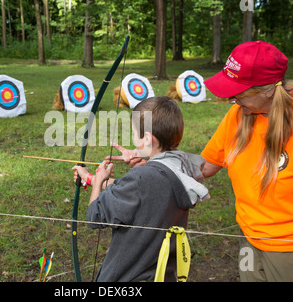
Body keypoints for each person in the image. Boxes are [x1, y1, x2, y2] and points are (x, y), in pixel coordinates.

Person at [111, 41, 293, 282]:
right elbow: (206, 166)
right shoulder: (239, 114)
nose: (231, 98)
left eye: (239, 93)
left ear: (267, 90)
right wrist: (155, 161)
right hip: (249, 239)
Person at [72, 96, 209, 282]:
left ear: (146, 139)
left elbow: (95, 216)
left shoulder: (142, 179)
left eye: (134, 133)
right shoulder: (182, 167)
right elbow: (145, 195)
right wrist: (90, 178)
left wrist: (98, 182)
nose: (133, 140)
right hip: (161, 274)